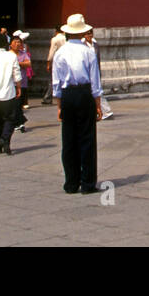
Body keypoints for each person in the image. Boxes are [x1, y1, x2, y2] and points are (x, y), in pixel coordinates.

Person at [52, 14, 103, 194]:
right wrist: (98, 104)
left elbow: (56, 82)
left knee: (69, 139)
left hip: (67, 95)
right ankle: (88, 183)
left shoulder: (60, 53)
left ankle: (71, 183)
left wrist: (59, 105)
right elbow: (95, 80)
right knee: (87, 138)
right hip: (84, 93)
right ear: (82, 32)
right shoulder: (88, 51)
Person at [84, 30, 114, 121]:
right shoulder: (82, 45)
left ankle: (106, 111)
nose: (89, 35)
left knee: (97, 91)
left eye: (90, 33)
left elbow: (98, 60)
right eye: (87, 34)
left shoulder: (95, 44)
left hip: (95, 71)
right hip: (86, 72)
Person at [11, 31, 31, 132]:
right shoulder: (8, 54)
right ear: (11, 44)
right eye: (15, 42)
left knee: (19, 103)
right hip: (11, 83)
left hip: (22, 82)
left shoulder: (23, 54)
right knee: (15, 103)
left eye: (19, 42)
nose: (18, 44)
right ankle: (20, 122)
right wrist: (20, 64)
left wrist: (16, 63)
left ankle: (19, 122)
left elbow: (28, 64)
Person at [43, 25, 66, 105]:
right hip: (66, 61)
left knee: (52, 80)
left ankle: (48, 97)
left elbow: (51, 52)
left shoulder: (55, 39)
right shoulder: (66, 38)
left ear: (56, 31)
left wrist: (48, 63)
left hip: (57, 62)